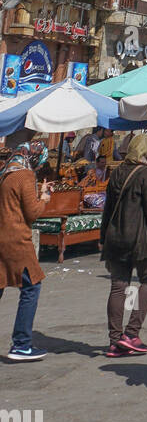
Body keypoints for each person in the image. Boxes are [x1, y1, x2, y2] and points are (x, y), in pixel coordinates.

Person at [100, 133, 147, 358]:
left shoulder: (117, 172)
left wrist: (103, 236)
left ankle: (115, 340)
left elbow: (108, 208)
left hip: (116, 238)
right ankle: (131, 333)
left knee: (119, 286)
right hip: (140, 240)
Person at [0, 144, 53, 360]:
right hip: (17, 239)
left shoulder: (6, 172)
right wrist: (44, 199)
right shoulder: (25, 174)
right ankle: (21, 344)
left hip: (2, 237)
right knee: (32, 285)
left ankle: (21, 343)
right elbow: (31, 213)